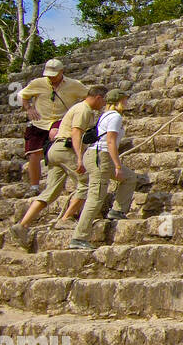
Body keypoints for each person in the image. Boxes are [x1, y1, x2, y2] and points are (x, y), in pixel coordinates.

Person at [8, 85, 108, 248]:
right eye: (103, 101)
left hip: (54, 150)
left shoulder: (78, 108)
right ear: (98, 97)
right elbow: (76, 133)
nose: (103, 104)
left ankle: (22, 225)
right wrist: (79, 158)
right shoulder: (84, 110)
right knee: (87, 183)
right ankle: (66, 218)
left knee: (50, 191)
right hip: (65, 149)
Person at [69, 89, 138, 250]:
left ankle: (118, 210)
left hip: (97, 156)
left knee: (130, 177)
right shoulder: (115, 117)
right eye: (124, 100)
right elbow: (111, 142)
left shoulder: (105, 115)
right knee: (95, 198)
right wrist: (118, 166)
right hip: (102, 156)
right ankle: (79, 237)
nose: (126, 103)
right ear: (119, 101)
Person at [17, 59, 87, 196]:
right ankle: (34, 187)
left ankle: (69, 183)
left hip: (61, 120)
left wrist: (76, 113)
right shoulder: (38, 83)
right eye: (49, 75)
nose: (51, 78)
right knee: (33, 154)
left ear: (62, 72)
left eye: (54, 75)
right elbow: (22, 95)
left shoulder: (74, 85)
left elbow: (88, 96)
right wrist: (29, 108)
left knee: (55, 138)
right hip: (40, 121)